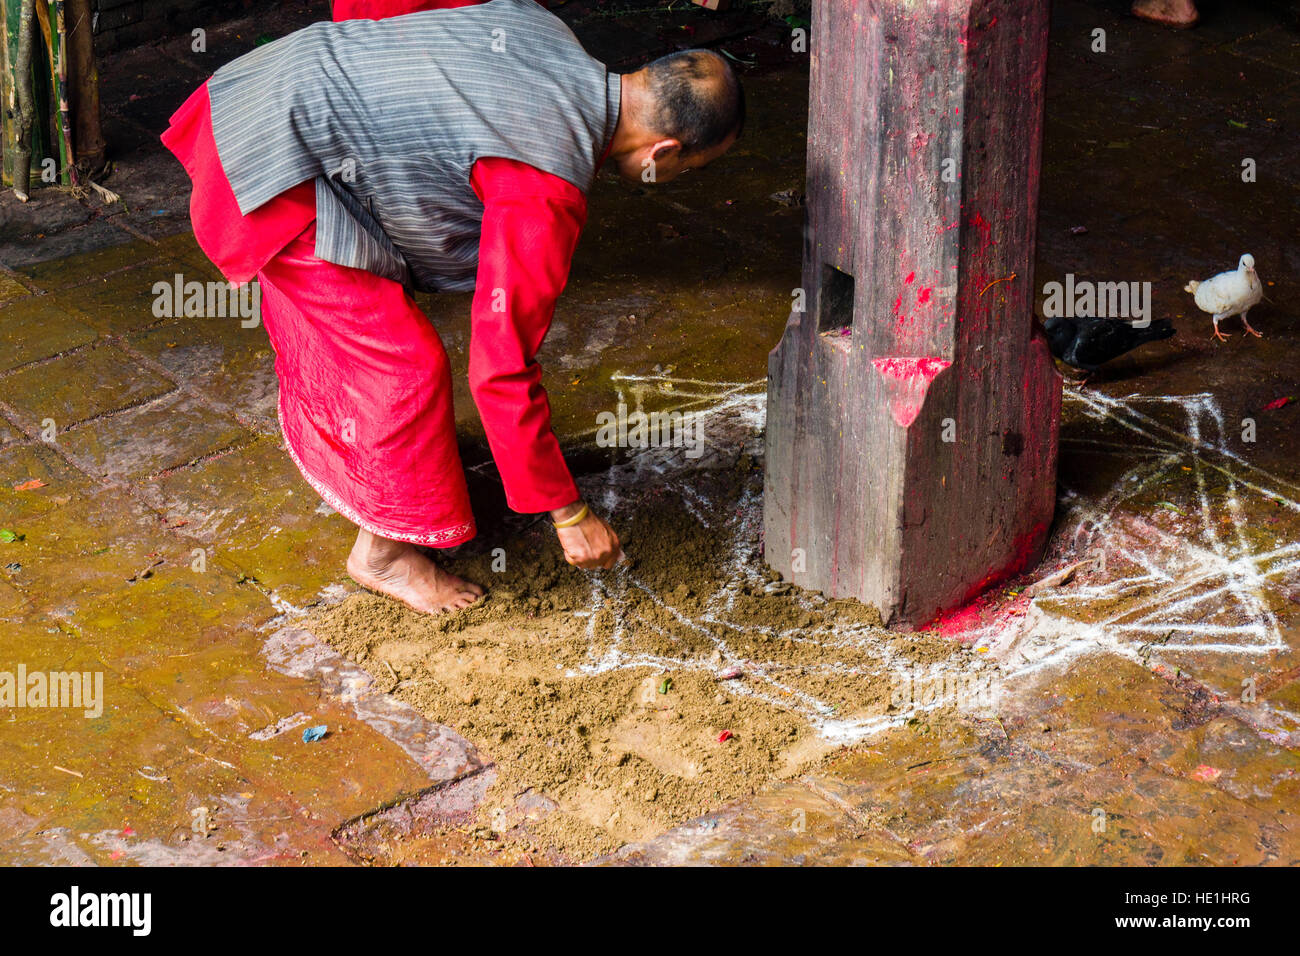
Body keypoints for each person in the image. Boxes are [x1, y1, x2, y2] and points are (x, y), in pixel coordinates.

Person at [161, 0, 744, 613]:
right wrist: (567, 512)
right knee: (404, 370)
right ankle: (381, 556)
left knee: (375, 328)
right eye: (688, 169)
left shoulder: (542, 27)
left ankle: (369, 459)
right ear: (663, 152)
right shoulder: (542, 186)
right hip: (271, 173)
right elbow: (500, 367)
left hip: (259, 91)